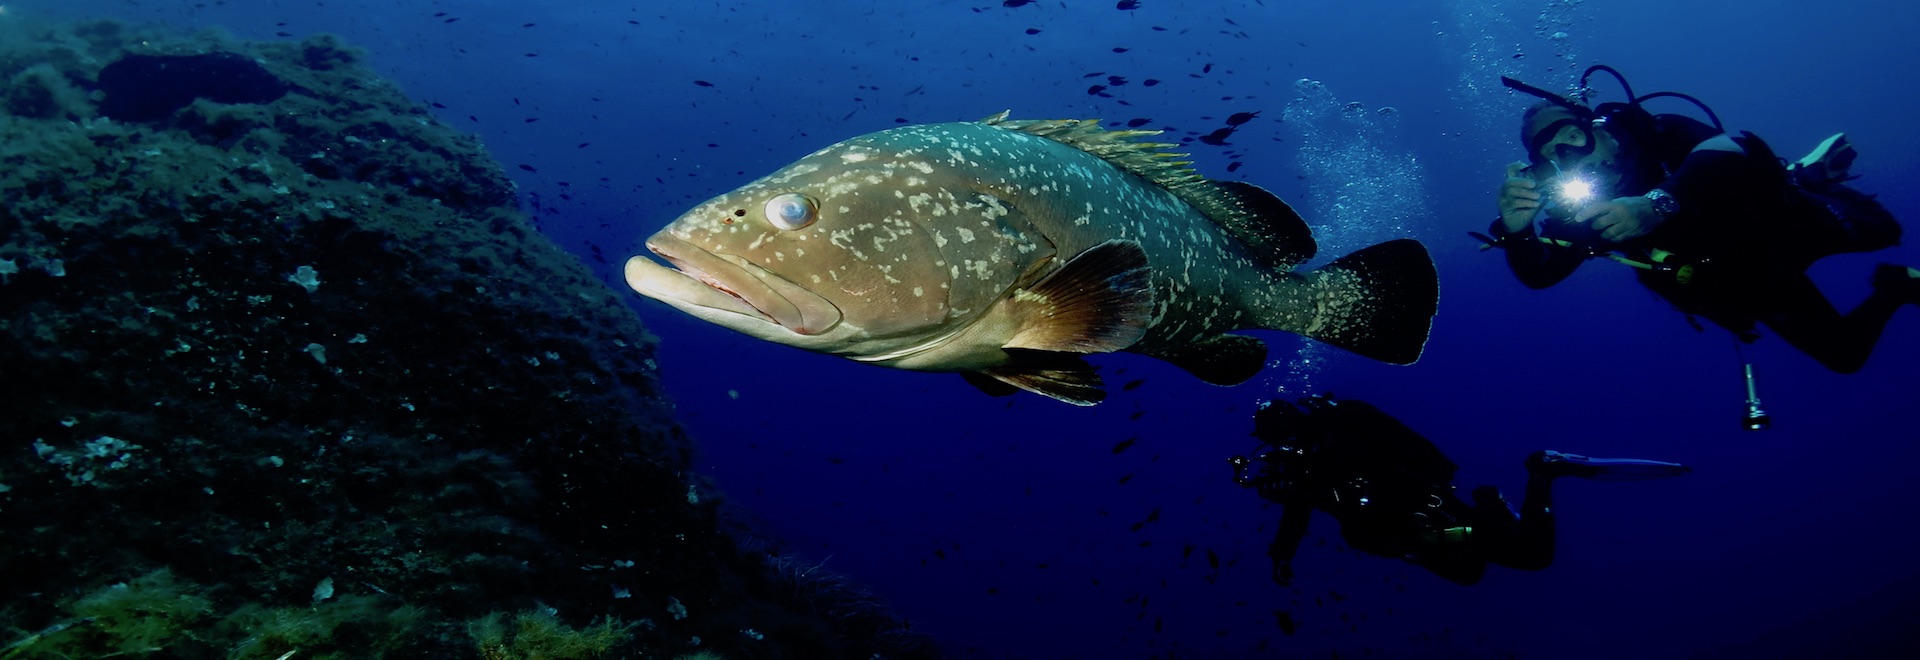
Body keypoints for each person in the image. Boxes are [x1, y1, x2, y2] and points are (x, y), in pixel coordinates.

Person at [1482, 66, 1919, 373]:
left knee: (1885, 229)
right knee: (1845, 357)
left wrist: (1656, 204)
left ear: (1595, 126)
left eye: (1573, 137)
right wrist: (1518, 232)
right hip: (1750, 281)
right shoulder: (1579, 210)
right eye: (1553, 154)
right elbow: (1540, 276)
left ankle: (1805, 177)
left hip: (1782, 224)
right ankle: (1896, 288)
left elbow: (1732, 149)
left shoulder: (1658, 133)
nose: (1570, 155)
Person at [1229, 394, 1688, 586]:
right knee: (1469, 576)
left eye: (1283, 438)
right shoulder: (1302, 470)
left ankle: (1542, 472)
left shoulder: (1342, 434)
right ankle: (1493, 505)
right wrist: (1281, 554)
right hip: (1416, 536)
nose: (1282, 449)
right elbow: (1297, 513)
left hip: (1436, 517)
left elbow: (1390, 461)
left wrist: (1316, 479)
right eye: (1276, 444)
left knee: (1532, 556)